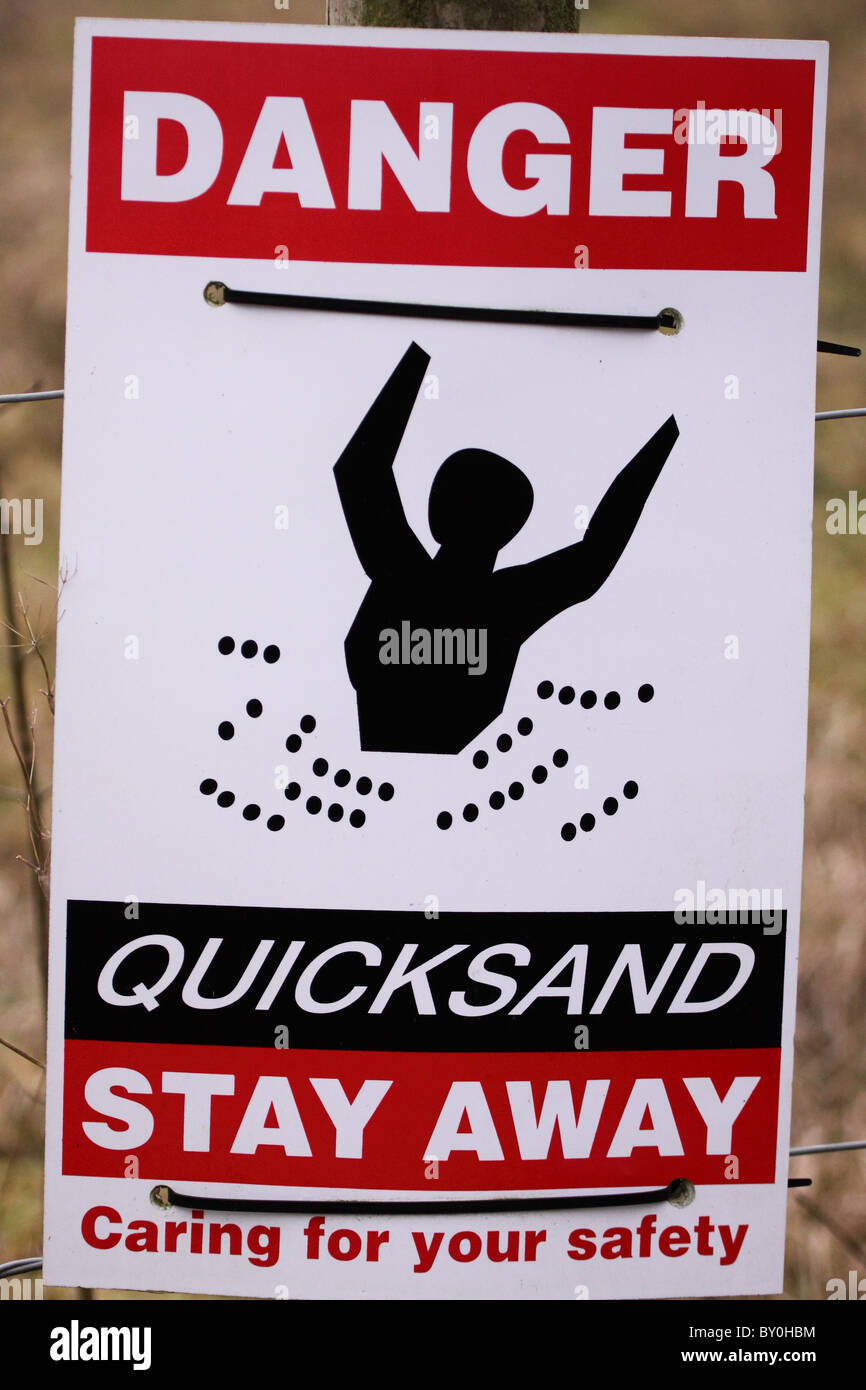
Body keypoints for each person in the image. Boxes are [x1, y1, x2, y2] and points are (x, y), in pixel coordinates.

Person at [334, 341, 679, 754]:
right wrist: (671, 428)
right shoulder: (502, 601)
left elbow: (361, 470)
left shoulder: (406, 570)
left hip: (400, 771)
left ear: (435, 512)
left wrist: (424, 346)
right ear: (511, 528)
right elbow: (596, 553)